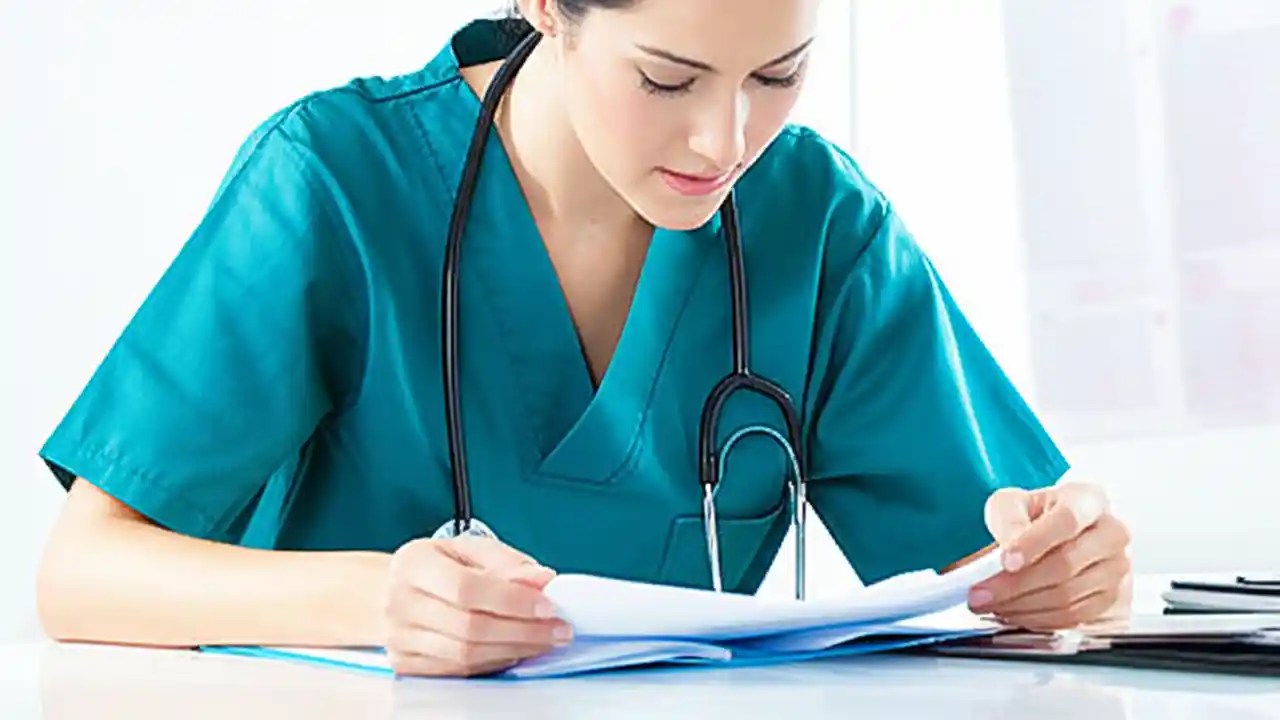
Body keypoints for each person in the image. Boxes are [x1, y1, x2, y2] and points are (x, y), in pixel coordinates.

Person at [35, 0, 1132, 678]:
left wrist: (1058, 568)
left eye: (775, 76)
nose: (726, 140)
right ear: (544, 6)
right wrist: (379, 602)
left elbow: (978, 569)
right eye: (667, 78)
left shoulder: (819, 224)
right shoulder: (334, 178)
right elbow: (82, 575)